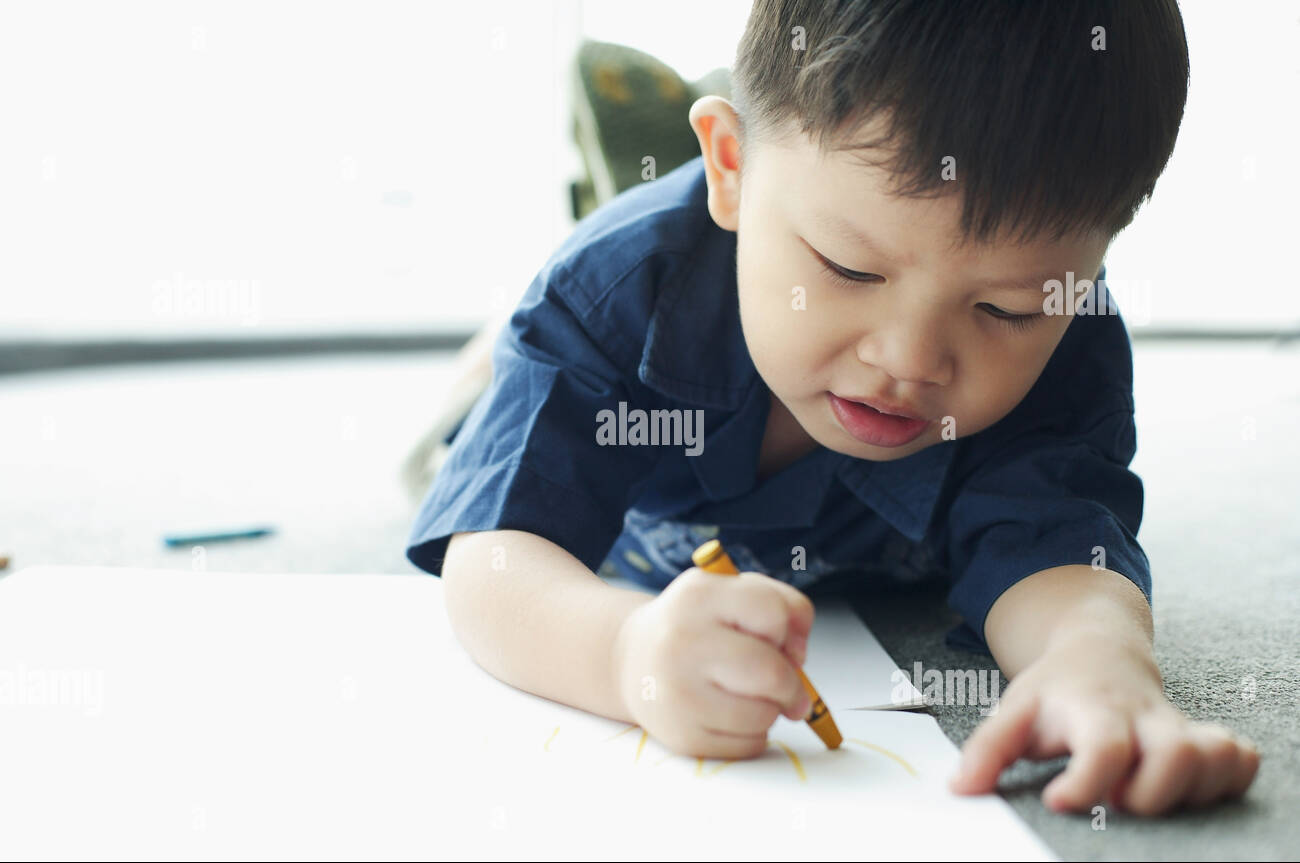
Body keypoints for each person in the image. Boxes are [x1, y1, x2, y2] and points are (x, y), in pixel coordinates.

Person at [406, 0, 1259, 816]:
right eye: (851, 269)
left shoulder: (1071, 339)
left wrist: (1096, 658)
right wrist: (625, 652)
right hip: (639, 314)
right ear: (731, 168)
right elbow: (492, 564)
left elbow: (1062, 549)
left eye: (1004, 310)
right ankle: (579, 235)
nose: (910, 361)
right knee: (466, 429)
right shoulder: (611, 300)